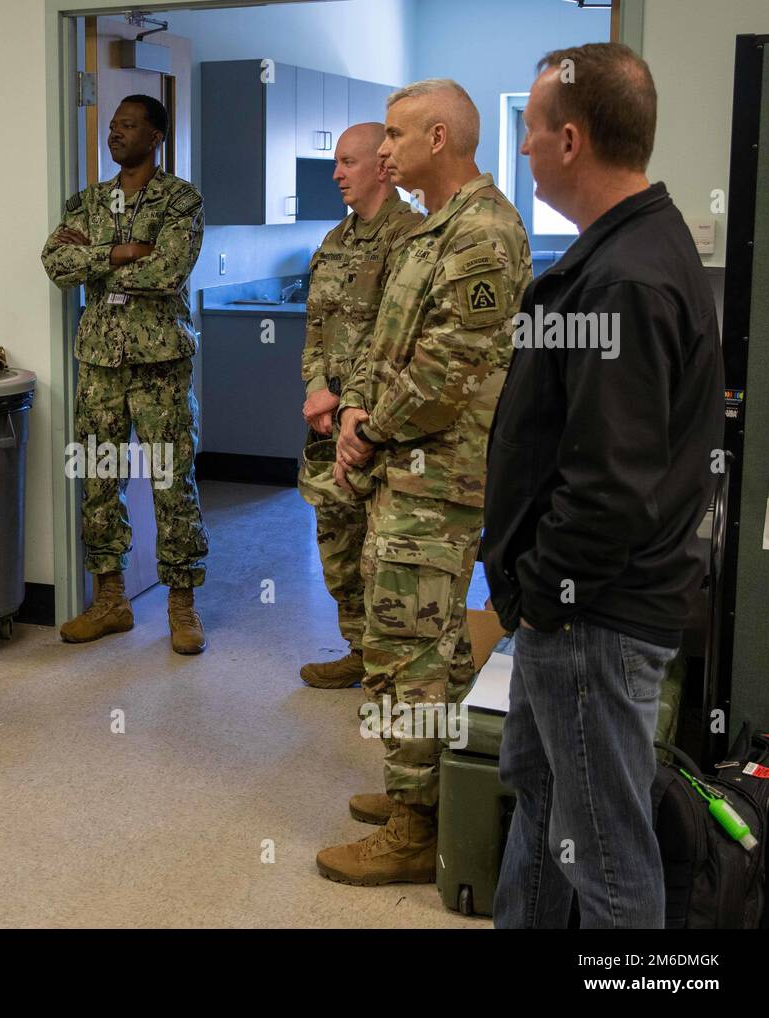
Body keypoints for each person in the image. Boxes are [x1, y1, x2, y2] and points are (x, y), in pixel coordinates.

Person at [485, 43, 723, 928]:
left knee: (611, 866)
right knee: (547, 816)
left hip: (591, 619)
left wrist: (545, 597)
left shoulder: (624, 278)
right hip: (577, 614)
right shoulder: (623, 251)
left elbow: (608, 488)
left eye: (531, 130)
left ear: (573, 140)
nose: (524, 148)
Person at [317, 80, 531, 884]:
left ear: (439, 138)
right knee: (407, 639)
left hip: (440, 478)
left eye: (396, 137)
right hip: (401, 469)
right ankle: (422, 786)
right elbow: (386, 342)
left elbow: (443, 373)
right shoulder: (430, 231)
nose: (382, 152)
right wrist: (356, 409)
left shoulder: (481, 234)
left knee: (415, 649)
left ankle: (414, 827)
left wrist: (366, 430)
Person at [41, 95, 209, 655]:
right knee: (98, 478)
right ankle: (111, 601)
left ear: (156, 135)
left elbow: (168, 271)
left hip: (160, 362)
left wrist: (97, 253)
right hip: (98, 364)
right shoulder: (86, 201)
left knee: (170, 480)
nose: (115, 134)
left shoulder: (180, 200)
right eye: (112, 126)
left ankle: (182, 605)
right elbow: (57, 266)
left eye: (129, 125)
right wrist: (121, 251)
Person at [298, 122, 420, 689]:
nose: (337, 173)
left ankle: (390, 666)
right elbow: (315, 329)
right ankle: (358, 648)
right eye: (336, 163)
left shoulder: (411, 238)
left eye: (347, 162)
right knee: (338, 546)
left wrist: (346, 399)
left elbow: (400, 340)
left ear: (381, 164)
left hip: (380, 427)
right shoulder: (334, 242)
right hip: (327, 425)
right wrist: (315, 389)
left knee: (384, 554)